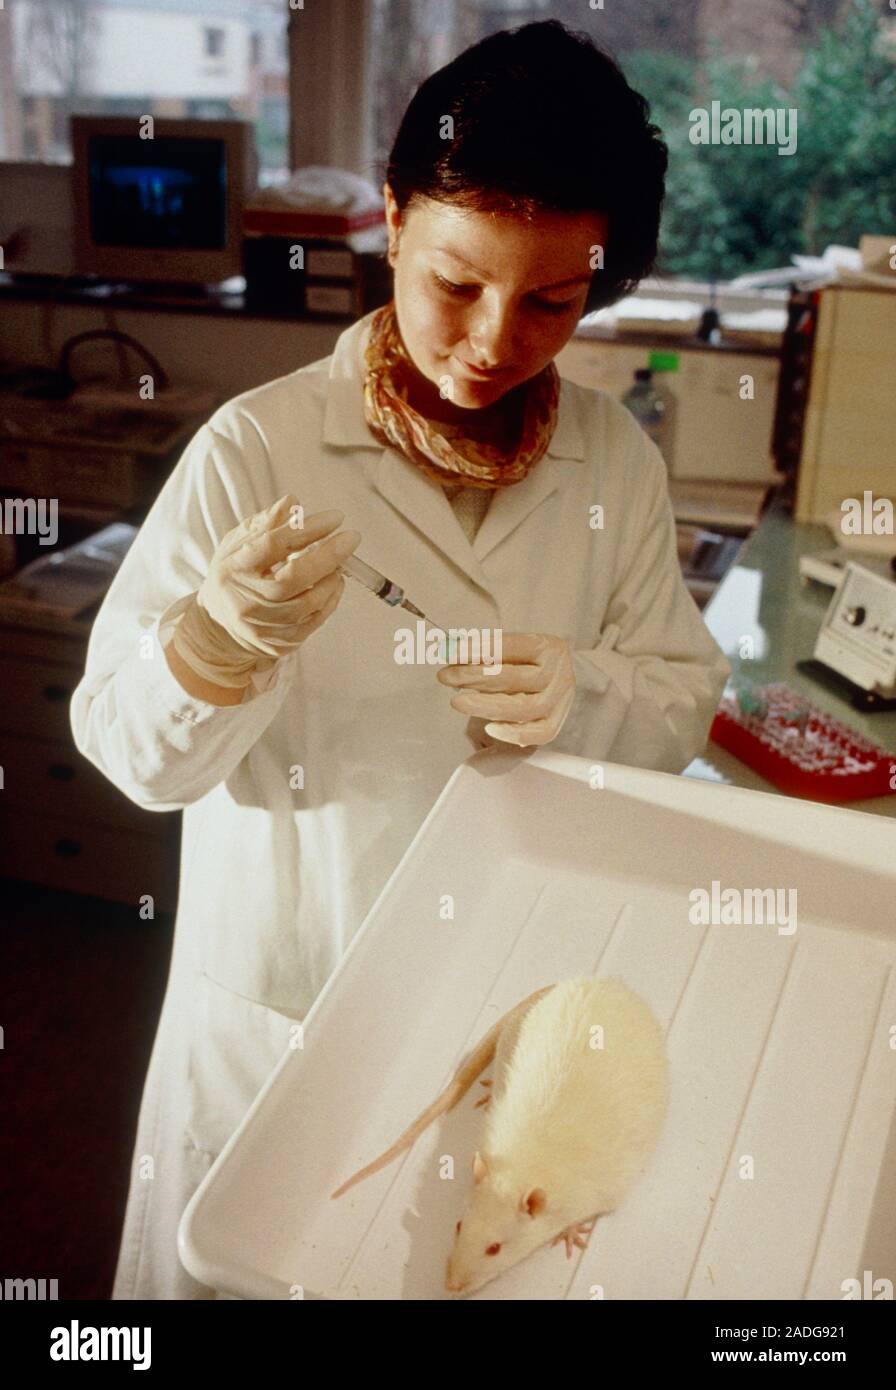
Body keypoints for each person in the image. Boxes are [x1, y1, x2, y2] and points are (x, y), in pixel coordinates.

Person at [70, 19, 731, 1299]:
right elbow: (128, 753)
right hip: (281, 1002)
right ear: (388, 218)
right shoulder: (253, 448)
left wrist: (583, 697)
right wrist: (208, 650)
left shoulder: (617, 462)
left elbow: (680, 696)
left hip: (505, 1009)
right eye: (454, 282)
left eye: (552, 300)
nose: (494, 338)